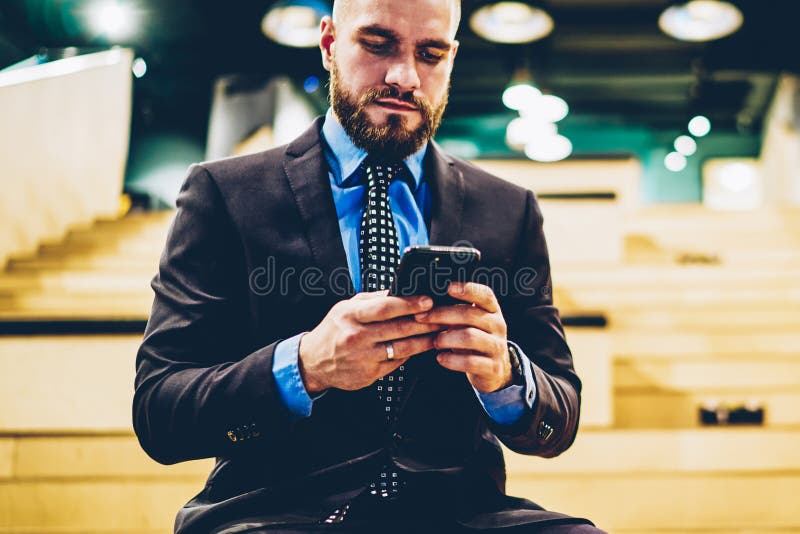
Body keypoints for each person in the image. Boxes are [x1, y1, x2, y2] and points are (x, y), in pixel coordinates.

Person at [133, 0, 605, 532]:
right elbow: (160, 412)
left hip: (460, 513)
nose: (404, 77)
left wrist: (505, 374)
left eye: (431, 53)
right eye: (378, 44)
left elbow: (560, 417)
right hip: (274, 511)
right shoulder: (224, 192)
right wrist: (305, 366)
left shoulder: (509, 209)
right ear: (330, 43)